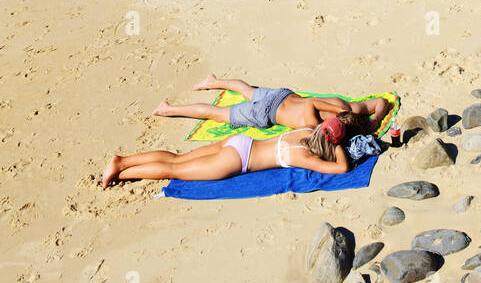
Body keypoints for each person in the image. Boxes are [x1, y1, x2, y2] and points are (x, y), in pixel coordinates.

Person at [101, 114, 352, 188]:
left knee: (177, 159)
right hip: (238, 160)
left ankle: (123, 161)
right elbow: (342, 168)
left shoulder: (305, 129)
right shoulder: (304, 156)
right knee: (174, 170)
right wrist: (338, 146)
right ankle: (121, 173)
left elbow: (319, 124)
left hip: (241, 142)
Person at [152, 74, 388, 132]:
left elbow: (380, 101)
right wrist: (374, 123)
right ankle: (167, 110)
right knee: (217, 114)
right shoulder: (316, 124)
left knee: (247, 90)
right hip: (267, 112)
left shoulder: (347, 106)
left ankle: (214, 81)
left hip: (283, 95)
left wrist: (375, 116)